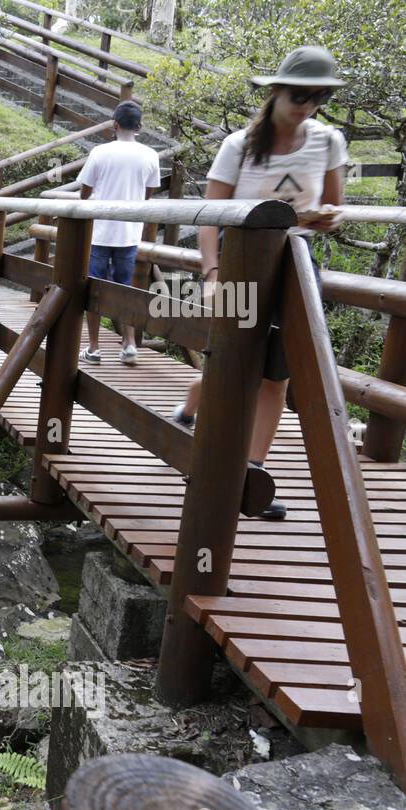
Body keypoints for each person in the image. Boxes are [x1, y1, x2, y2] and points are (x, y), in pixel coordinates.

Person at [170, 46, 348, 521]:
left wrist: (320, 219)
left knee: (276, 374)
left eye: (319, 95)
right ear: (275, 92)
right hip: (241, 262)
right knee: (230, 360)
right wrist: (210, 273)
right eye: (299, 94)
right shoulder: (239, 146)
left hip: (295, 263)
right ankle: (193, 412)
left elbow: (333, 209)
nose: (308, 104)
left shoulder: (329, 141)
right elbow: (209, 217)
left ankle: (251, 476)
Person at [76, 101, 162, 366]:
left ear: (114, 125)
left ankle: (94, 347)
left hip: (100, 232)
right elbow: (147, 194)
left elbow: (85, 190)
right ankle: (130, 344)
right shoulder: (150, 155)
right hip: (129, 234)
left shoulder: (100, 152)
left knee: (94, 290)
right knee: (126, 289)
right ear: (139, 127)